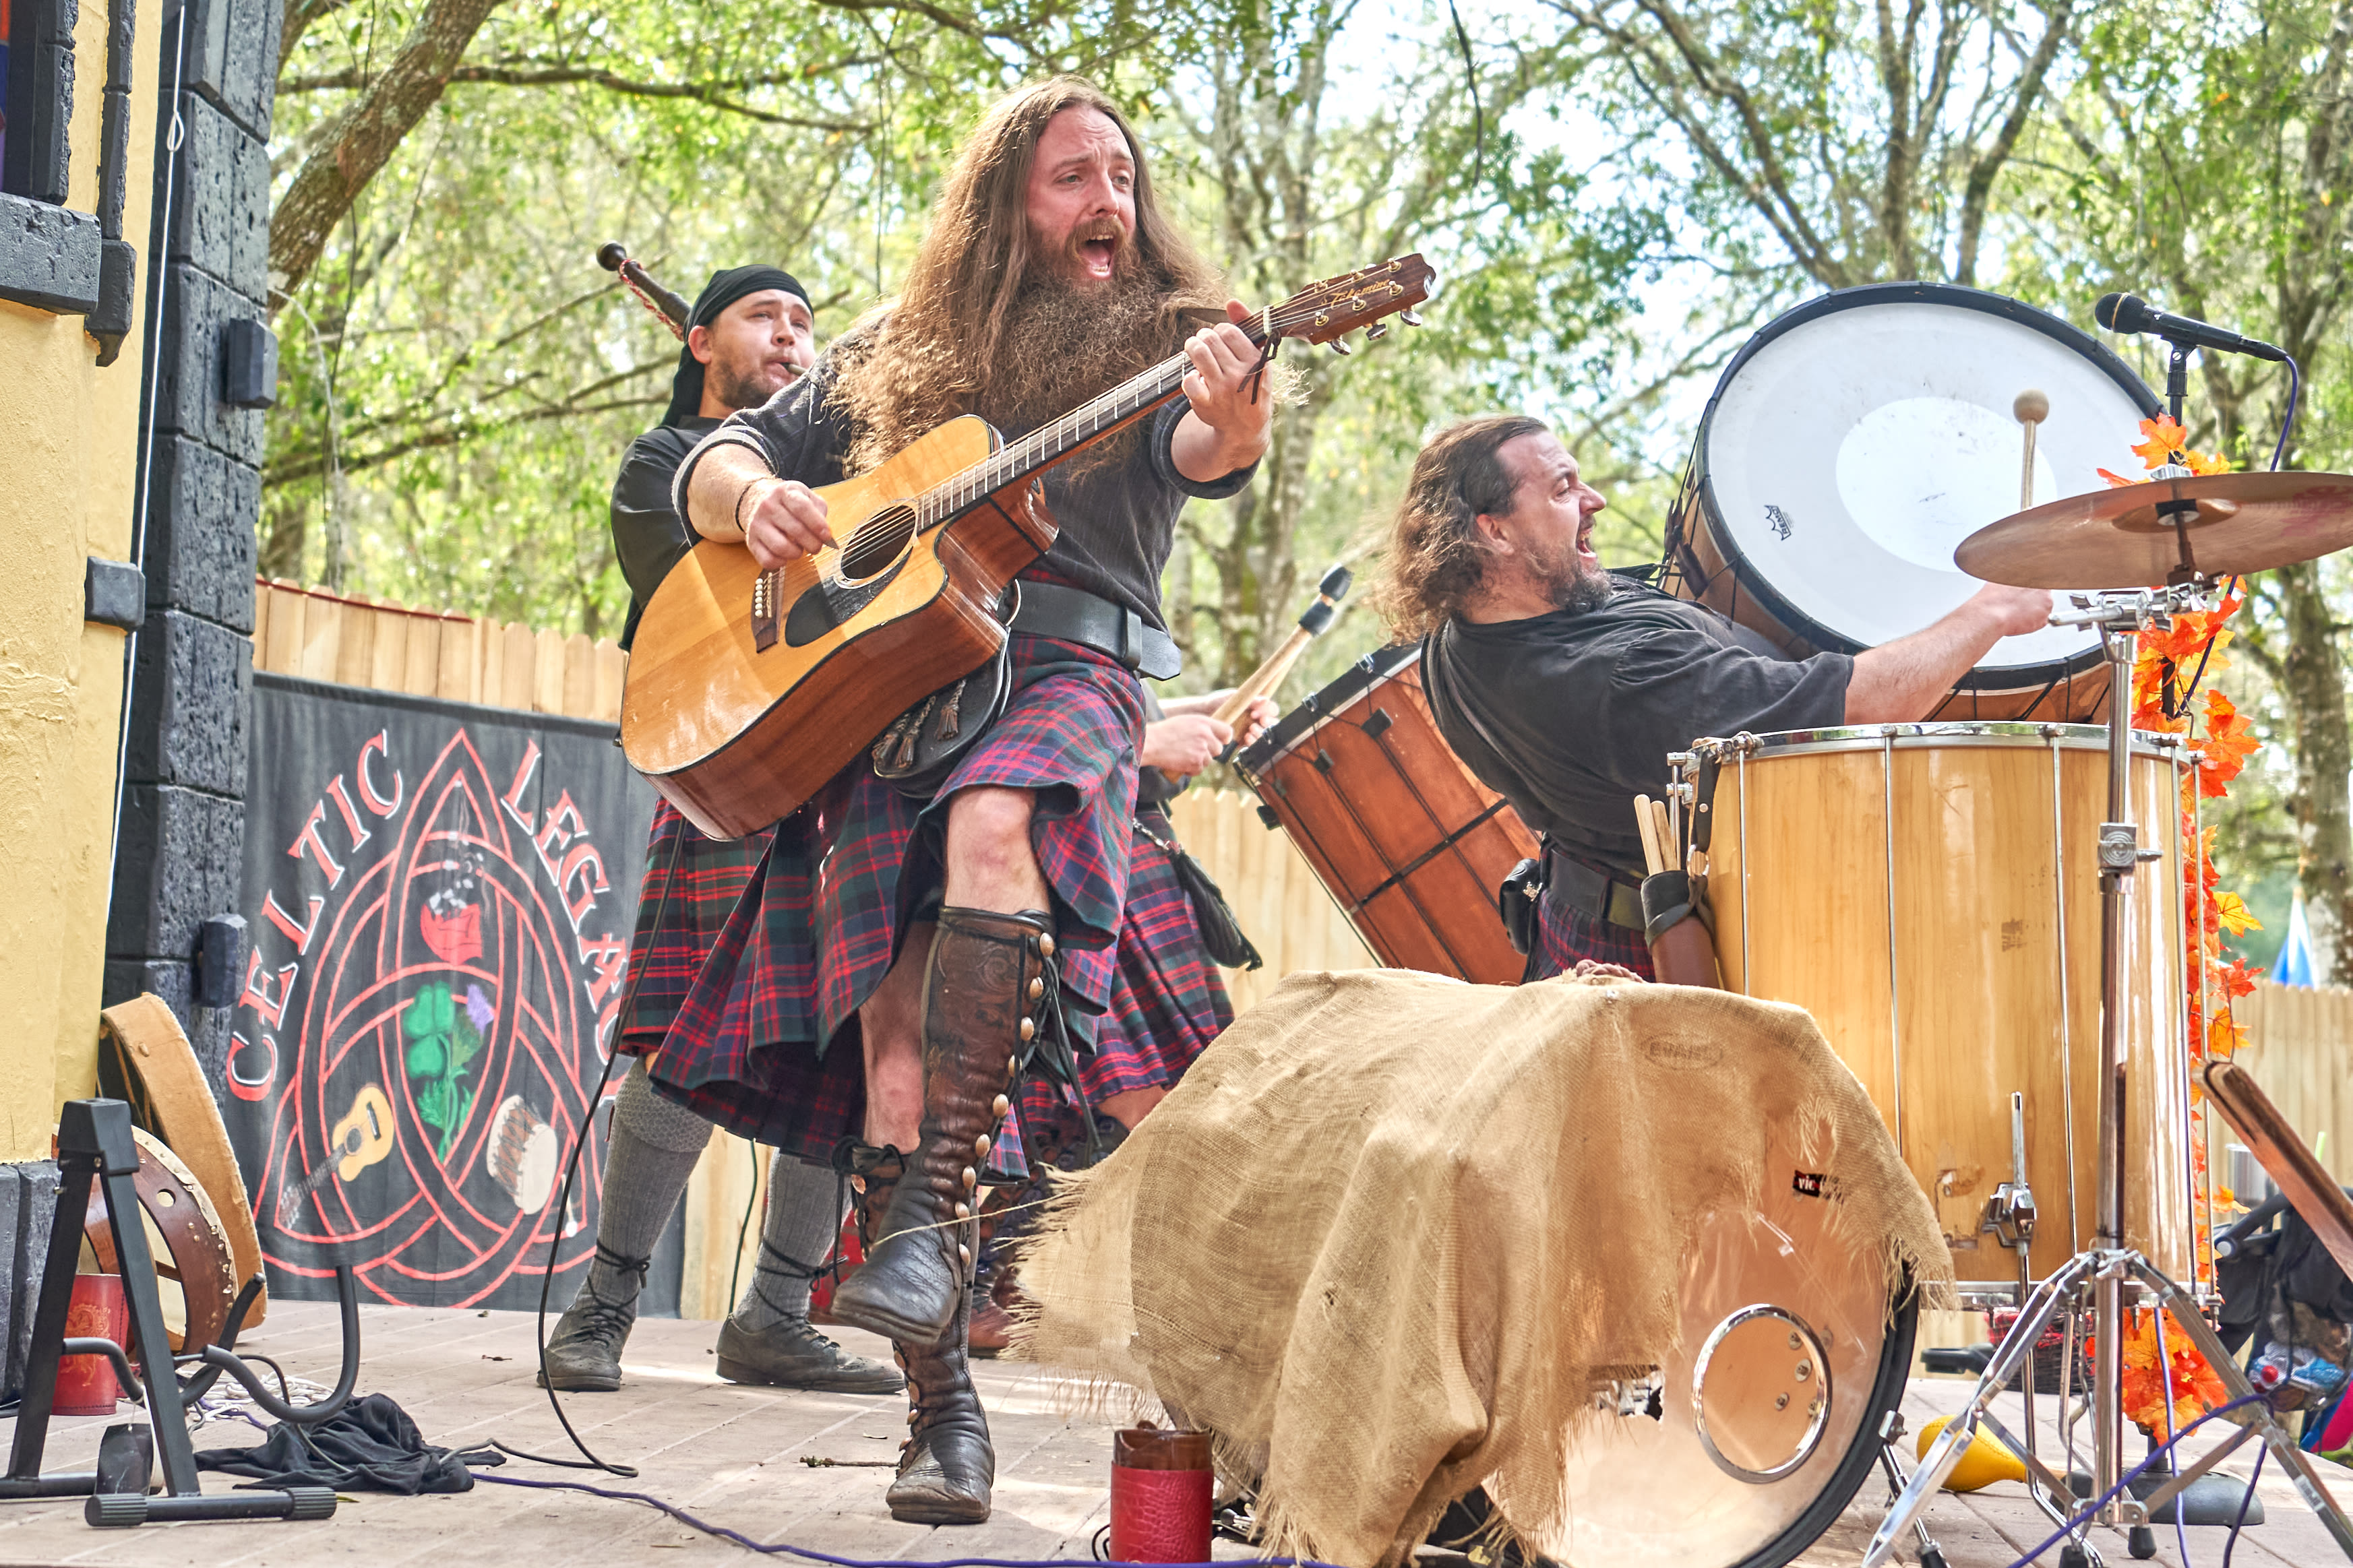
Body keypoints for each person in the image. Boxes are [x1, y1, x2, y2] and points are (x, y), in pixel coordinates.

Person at [661, 76, 1273, 1524]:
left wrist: (1233, 414)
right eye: (1070, 176)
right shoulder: (898, 351)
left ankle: (937, 1213)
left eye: (1119, 175)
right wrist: (751, 500)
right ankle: (940, 1422)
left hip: (1069, 670)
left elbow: (1208, 454)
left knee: (999, 830)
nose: (1105, 201)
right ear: (1007, 206)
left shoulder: (1171, 342)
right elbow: (715, 457)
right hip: (895, 693)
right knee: (889, 1022)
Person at [539, 265, 901, 1400]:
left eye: (807, 323)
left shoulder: (851, 468)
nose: (792, 337)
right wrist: (757, 497)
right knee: (686, 1046)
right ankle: (604, 1302)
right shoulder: (661, 468)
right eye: (764, 318)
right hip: (733, 779)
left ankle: (777, 1318)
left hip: (847, 773)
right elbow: (695, 575)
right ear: (699, 340)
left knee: (841, 1047)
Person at [1383, 414, 2054, 980]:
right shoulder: (1614, 680)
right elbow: (1858, 707)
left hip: (1577, 907)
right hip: (1664, 948)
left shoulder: (1452, 641)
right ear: (1492, 531)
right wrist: (1990, 611)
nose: (1593, 499)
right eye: (1562, 489)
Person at [966, 688, 1276, 1354]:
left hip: (1123, 859)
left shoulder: (1108, 609)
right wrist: (1144, 745)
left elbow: (1103, 701)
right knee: (1131, 1104)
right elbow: (993, 734)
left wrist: (1201, 710)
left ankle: (1026, 1285)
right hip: (1070, 867)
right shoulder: (1006, 597)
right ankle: (1179, 1307)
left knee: (1139, 1107)